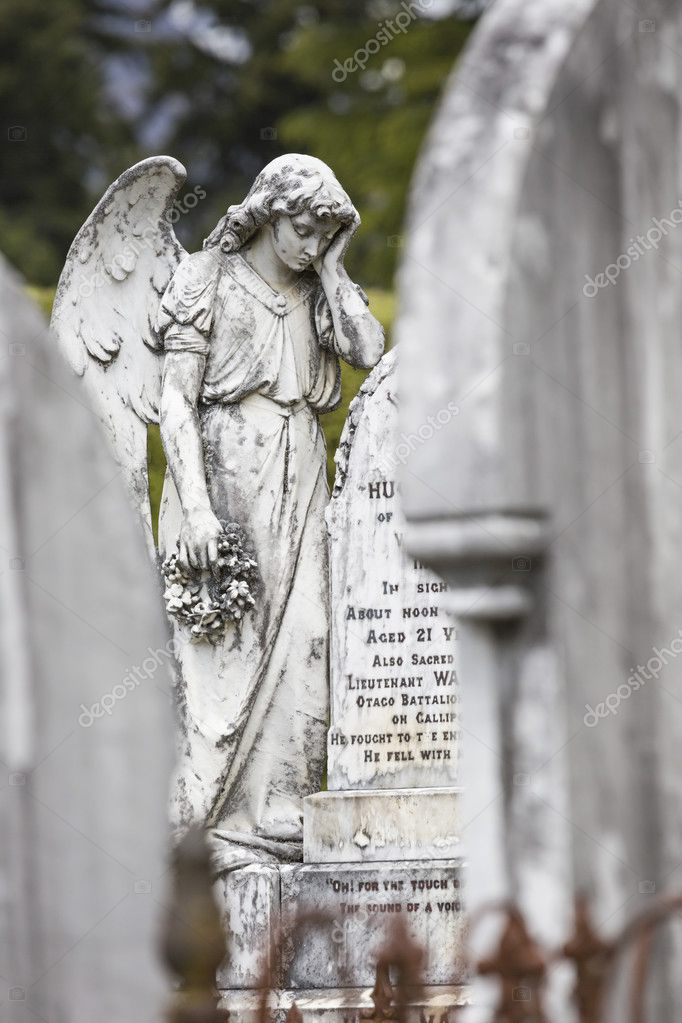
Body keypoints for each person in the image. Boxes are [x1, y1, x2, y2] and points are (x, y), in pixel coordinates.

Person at [156, 154, 385, 870]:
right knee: (229, 652)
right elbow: (173, 402)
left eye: (325, 233)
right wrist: (194, 507)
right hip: (228, 469)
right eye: (303, 228)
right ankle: (212, 825)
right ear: (268, 210)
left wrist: (337, 270)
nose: (310, 244)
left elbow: (370, 353)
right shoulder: (207, 279)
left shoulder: (319, 290)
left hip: (302, 463)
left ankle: (281, 815)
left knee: (307, 637)